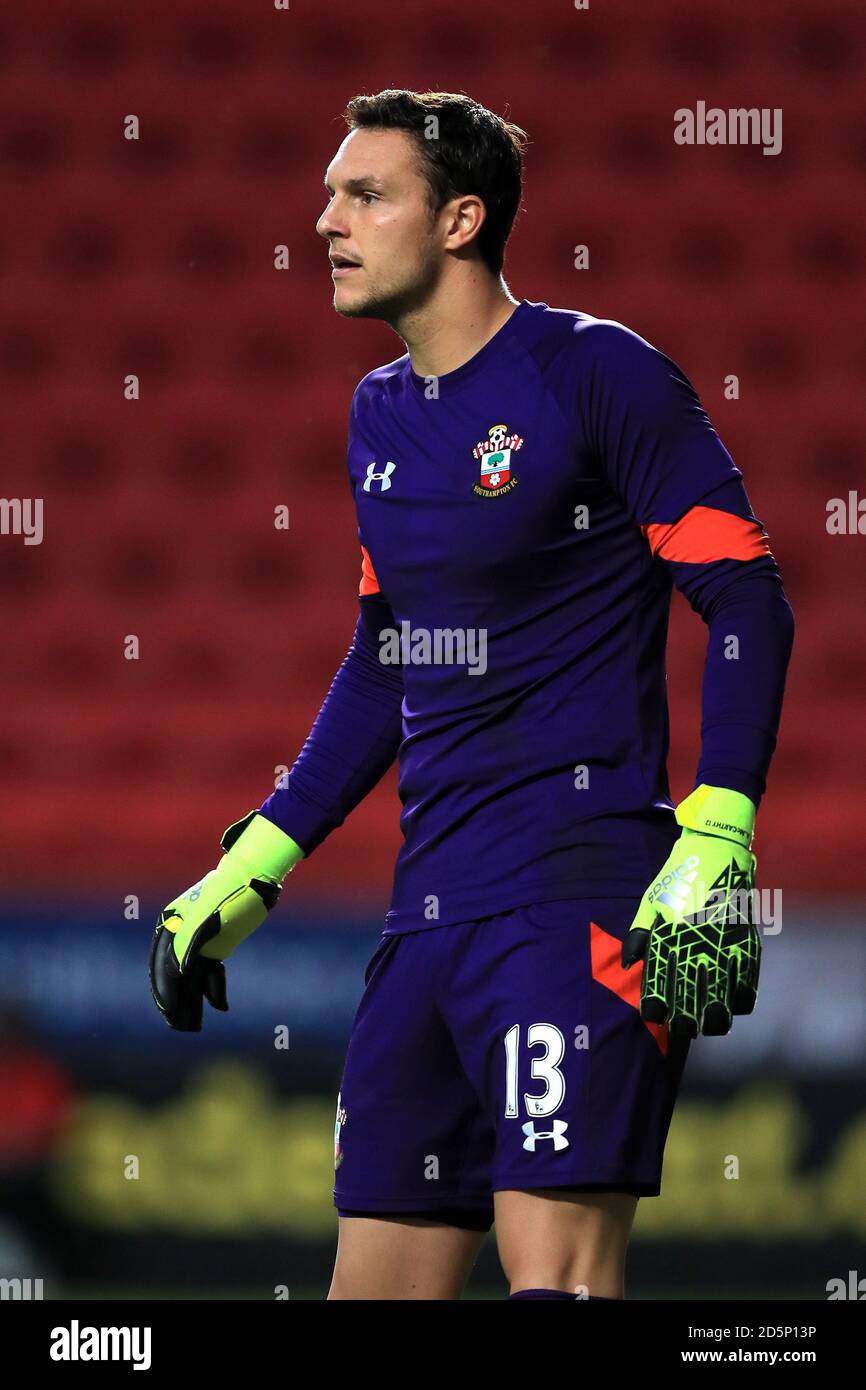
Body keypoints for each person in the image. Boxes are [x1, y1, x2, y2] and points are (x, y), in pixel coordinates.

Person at [149, 89, 794, 1300]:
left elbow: (747, 598)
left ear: (459, 220)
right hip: (427, 917)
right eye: (329, 194)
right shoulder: (377, 414)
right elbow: (389, 654)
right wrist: (258, 859)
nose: (325, 221)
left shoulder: (595, 372)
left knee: (559, 1281)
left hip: (575, 901)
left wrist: (716, 829)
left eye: (364, 194)